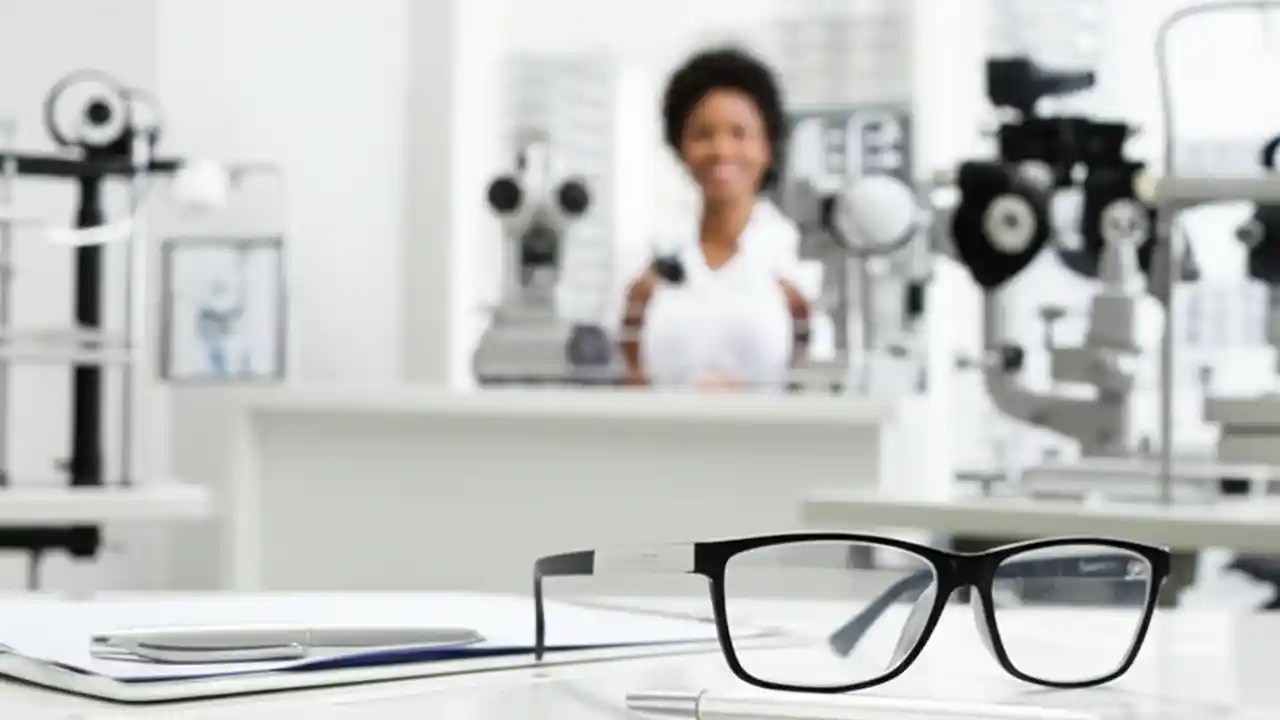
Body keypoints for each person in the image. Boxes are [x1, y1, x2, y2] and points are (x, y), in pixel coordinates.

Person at [620, 48, 809, 391]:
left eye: (739, 134)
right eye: (703, 135)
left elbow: (818, 380)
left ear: (767, 146)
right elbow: (627, 371)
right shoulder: (653, 266)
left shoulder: (796, 263)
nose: (722, 150)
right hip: (665, 439)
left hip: (769, 441)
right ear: (680, 147)